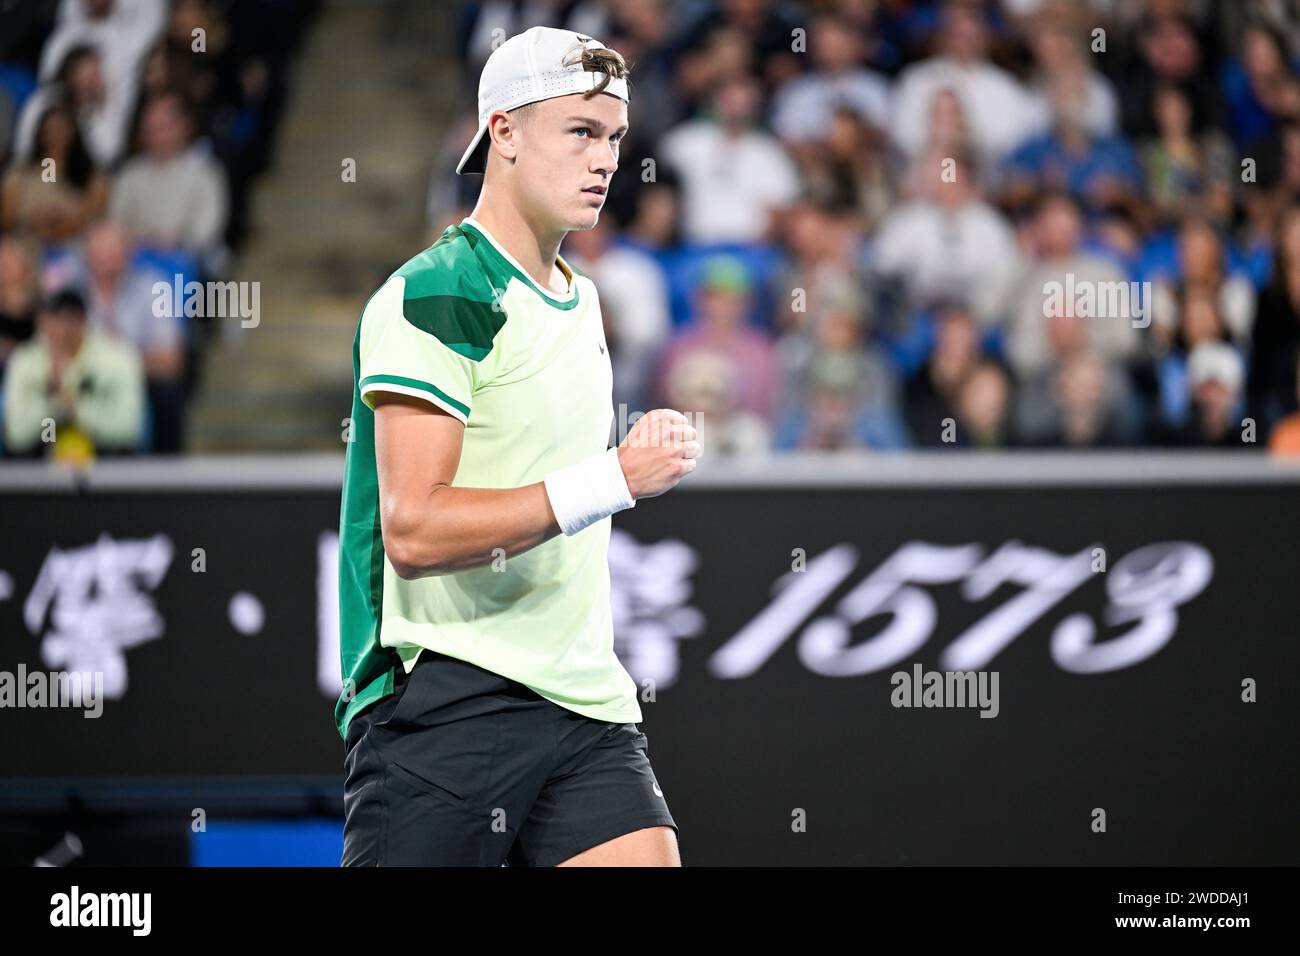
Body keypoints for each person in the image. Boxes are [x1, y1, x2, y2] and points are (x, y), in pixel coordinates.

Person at [337, 27, 697, 868]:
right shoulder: (440, 291)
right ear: (502, 132)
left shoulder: (586, 300)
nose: (605, 160)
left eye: (613, 138)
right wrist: (612, 478)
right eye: (579, 131)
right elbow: (416, 531)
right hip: (449, 696)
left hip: (585, 701)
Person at [2, 287, 144, 459]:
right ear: (42, 323)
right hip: (40, 460)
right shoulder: (24, 361)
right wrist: (53, 402)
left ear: (83, 322)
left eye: (69, 321)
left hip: (104, 461)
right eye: (53, 322)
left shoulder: (118, 359)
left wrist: (76, 409)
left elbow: (127, 430)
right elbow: (17, 436)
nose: (62, 331)